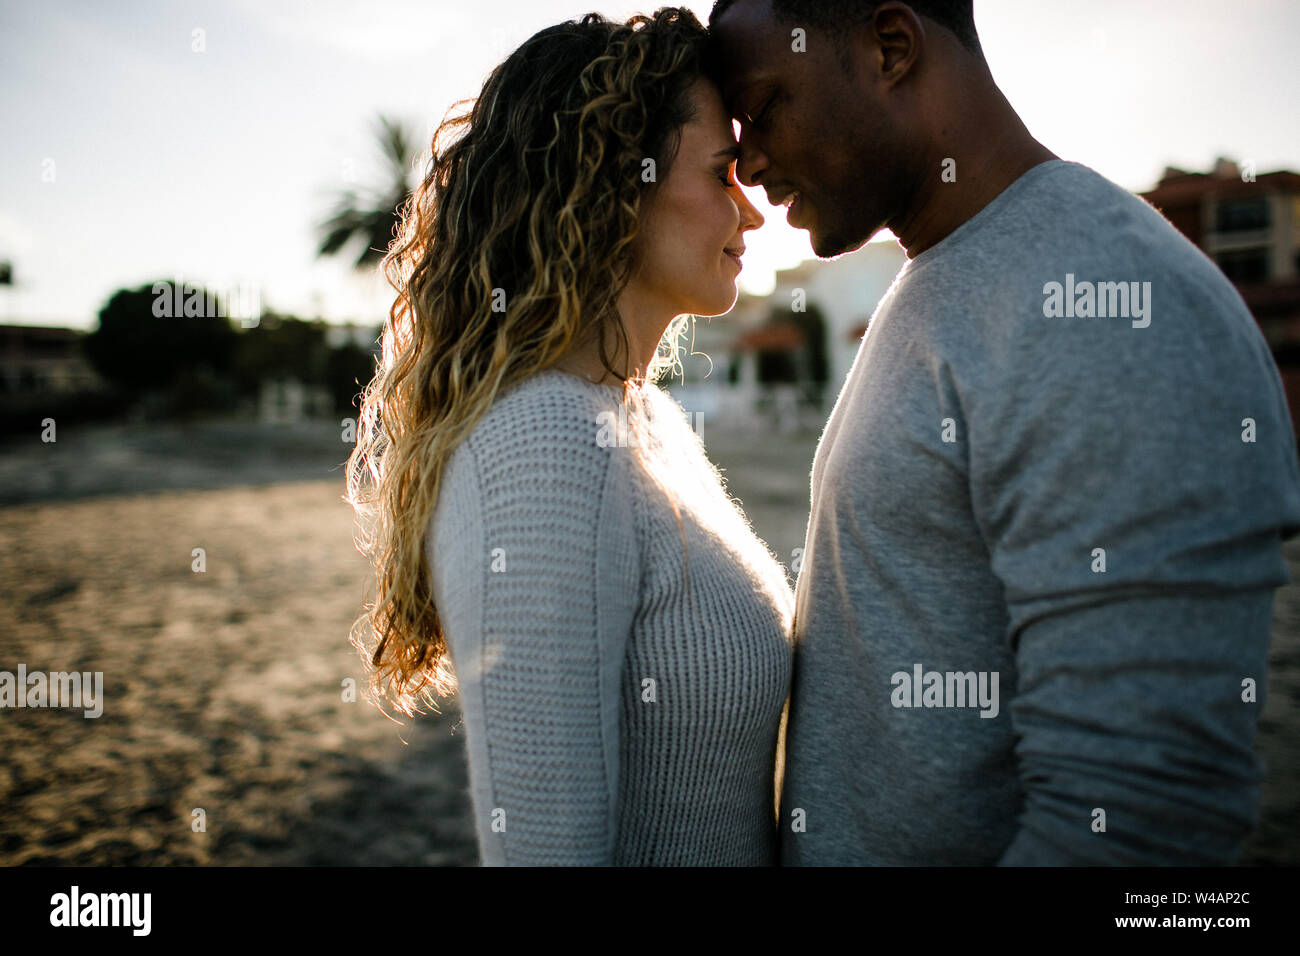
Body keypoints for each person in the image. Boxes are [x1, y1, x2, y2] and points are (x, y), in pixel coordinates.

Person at [706, 0, 1300, 864]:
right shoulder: (936, 279)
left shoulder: (1110, 304)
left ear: (891, 47)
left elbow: (1146, 816)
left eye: (762, 110)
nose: (749, 164)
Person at [345, 7, 794, 866]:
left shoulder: (647, 423)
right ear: (618, 182)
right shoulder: (542, 446)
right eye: (722, 172)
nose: (752, 210)